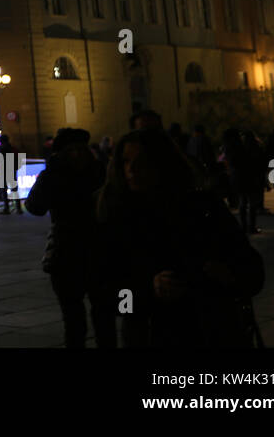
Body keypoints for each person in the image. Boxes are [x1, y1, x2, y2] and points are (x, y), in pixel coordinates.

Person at [96, 128, 264, 347]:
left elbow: (252, 271)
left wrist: (229, 274)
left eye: (141, 161)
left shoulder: (204, 208)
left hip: (211, 331)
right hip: (151, 335)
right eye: (126, 162)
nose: (132, 170)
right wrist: (149, 290)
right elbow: (109, 296)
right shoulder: (118, 216)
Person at [26, 128, 113, 347]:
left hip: (94, 251)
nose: (76, 154)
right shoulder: (61, 174)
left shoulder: (98, 171)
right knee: (75, 318)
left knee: (103, 315)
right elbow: (35, 206)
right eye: (71, 150)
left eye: (79, 149)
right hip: (70, 253)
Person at [0, 135, 20, 214]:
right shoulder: (12, 148)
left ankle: (7, 208)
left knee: (4, 190)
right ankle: (18, 208)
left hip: (2, 171)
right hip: (12, 170)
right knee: (14, 190)